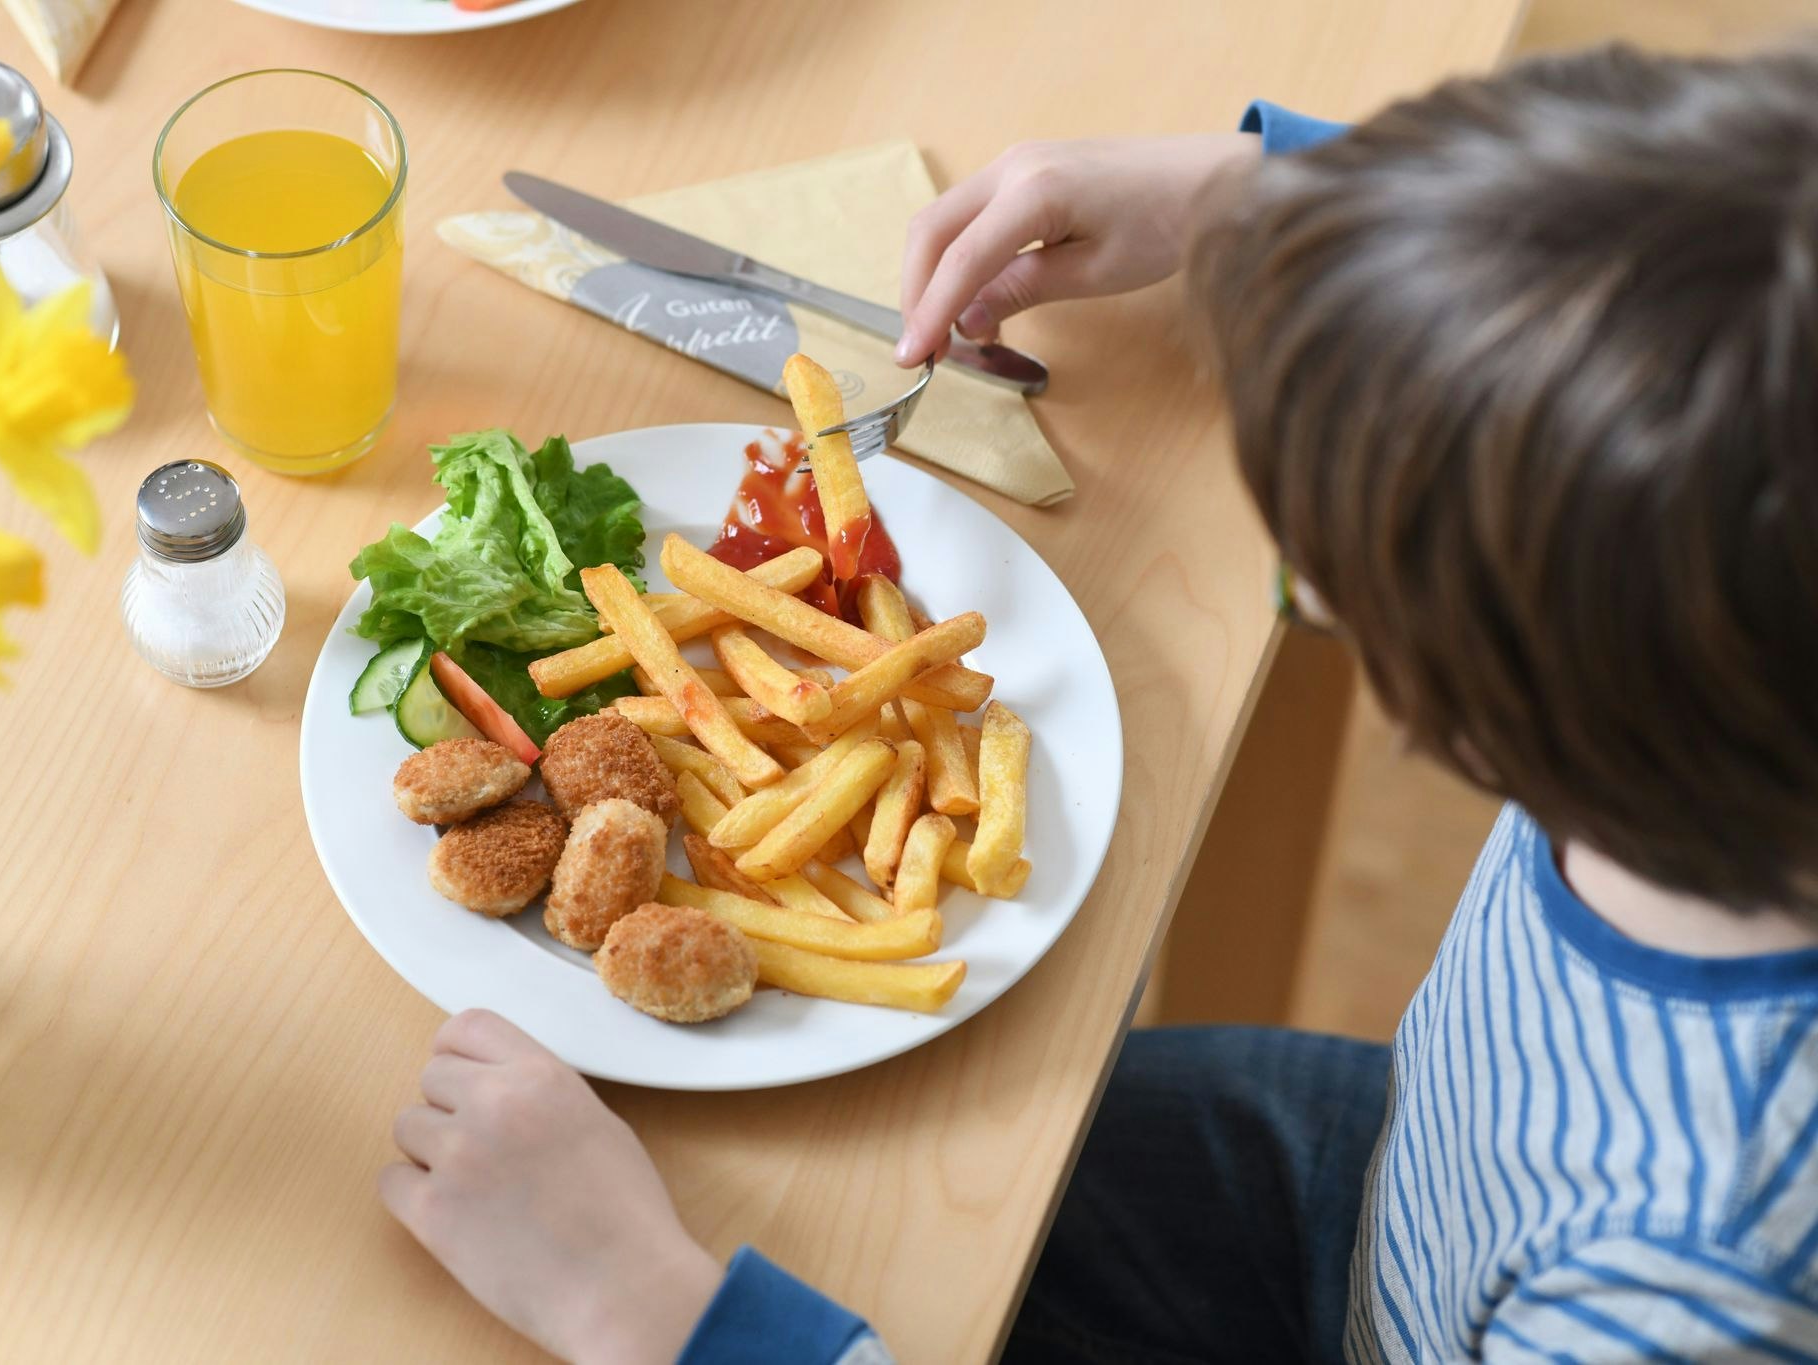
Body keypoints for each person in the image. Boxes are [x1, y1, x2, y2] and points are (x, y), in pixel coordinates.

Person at [377, 43, 1818, 1364]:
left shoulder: (1682, 1283)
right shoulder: (1727, 671)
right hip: (1412, 1178)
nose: (1309, 602)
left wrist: (648, 1313)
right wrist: (1269, 195)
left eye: (1340, 588)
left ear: (1517, 696)